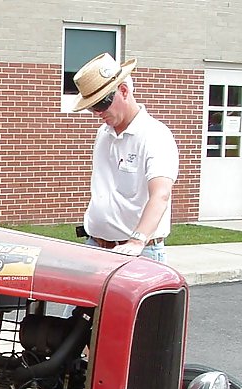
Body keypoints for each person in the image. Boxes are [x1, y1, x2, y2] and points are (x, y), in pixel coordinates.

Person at [73, 53, 178, 262]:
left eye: (102, 103)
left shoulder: (155, 135)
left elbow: (161, 195)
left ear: (123, 91)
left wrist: (137, 241)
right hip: (96, 246)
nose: (98, 112)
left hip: (138, 252)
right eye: (92, 106)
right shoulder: (104, 134)